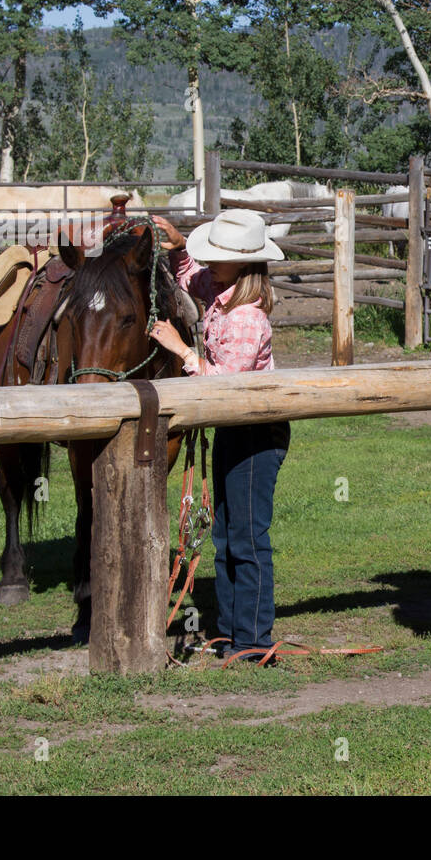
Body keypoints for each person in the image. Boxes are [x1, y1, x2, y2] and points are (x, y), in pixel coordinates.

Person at [148, 209, 291, 663]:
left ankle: (252, 639)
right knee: (229, 535)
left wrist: (181, 349)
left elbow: (224, 381)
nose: (209, 263)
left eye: (218, 257)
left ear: (243, 264)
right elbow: (192, 279)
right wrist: (177, 247)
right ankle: (234, 633)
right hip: (239, 427)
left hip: (254, 431)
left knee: (246, 535)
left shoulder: (247, 317)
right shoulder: (222, 290)